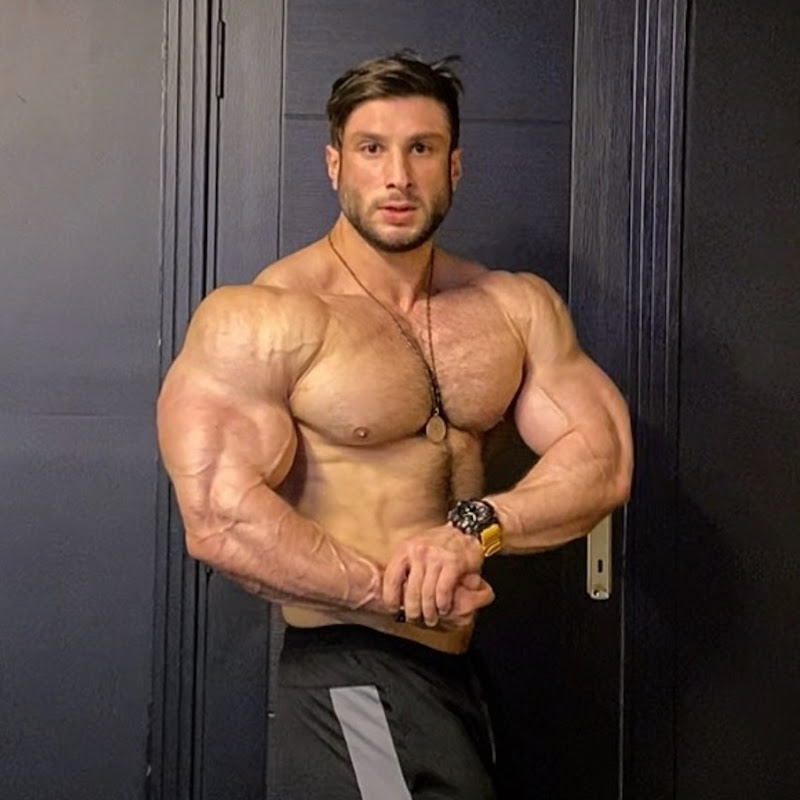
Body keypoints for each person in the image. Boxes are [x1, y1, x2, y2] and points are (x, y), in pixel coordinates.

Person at [157, 51, 632, 800]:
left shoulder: (513, 306)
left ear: (455, 166)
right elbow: (219, 519)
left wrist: (476, 529)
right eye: (373, 148)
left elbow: (602, 460)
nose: (398, 176)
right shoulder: (266, 317)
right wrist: (391, 594)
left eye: (422, 148)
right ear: (334, 165)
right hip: (349, 668)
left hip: (457, 671)